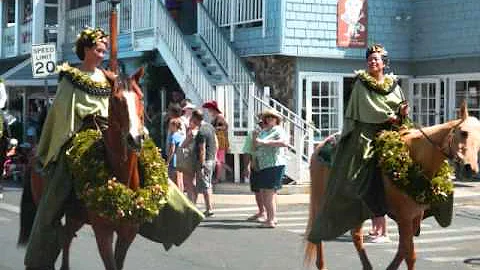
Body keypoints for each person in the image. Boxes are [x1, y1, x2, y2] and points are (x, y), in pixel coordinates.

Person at [24, 27, 111, 270]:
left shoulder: (107, 78)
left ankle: (166, 215)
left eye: (104, 50)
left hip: (107, 135)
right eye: (99, 49)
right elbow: (61, 114)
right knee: (61, 179)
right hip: (78, 135)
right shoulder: (71, 77)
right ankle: (40, 255)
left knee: (142, 161)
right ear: (86, 50)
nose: (102, 54)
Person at [308, 44, 409, 242]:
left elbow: (399, 108)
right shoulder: (362, 84)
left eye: (376, 59)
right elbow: (368, 109)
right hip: (367, 133)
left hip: (392, 131)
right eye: (370, 59)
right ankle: (371, 224)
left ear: (384, 63)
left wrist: (401, 114)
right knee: (366, 170)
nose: (373, 62)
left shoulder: (394, 85)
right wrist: (389, 117)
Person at [254, 109, 288, 228]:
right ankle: (271, 217)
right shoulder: (264, 130)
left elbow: (284, 143)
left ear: (276, 119)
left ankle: (271, 219)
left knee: (269, 193)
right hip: (264, 165)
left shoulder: (278, 129)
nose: (269, 119)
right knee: (265, 192)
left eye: (272, 117)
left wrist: (264, 142)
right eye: (267, 117)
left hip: (274, 164)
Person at [185, 109, 217, 217]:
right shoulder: (210, 127)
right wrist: (214, 156)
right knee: (207, 184)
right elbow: (215, 143)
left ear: (195, 118)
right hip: (211, 159)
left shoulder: (201, 131)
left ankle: (209, 208)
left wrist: (201, 164)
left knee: (205, 185)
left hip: (205, 161)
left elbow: (202, 149)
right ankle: (208, 207)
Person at [242, 120, 266, 222]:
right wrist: (246, 167)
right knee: (257, 190)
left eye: (264, 123)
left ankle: (268, 214)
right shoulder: (252, 134)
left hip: (269, 165)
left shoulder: (273, 133)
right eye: (260, 123)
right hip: (256, 165)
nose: (262, 125)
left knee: (268, 191)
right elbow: (247, 151)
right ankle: (261, 212)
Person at [202, 100, 229, 184]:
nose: (208, 110)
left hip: (220, 141)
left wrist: (216, 129)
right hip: (215, 139)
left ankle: (218, 178)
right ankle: (226, 170)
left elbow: (226, 126)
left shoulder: (219, 116)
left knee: (218, 161)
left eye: (210, 108)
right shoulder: (214, 117)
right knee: (217, 160)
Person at [166, 118, 185, 191]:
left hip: (174, 161)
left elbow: (172, 150)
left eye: (170, 126)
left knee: (174, 180)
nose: (169, 127)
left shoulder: (173, 136)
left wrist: (167, 161)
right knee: (180, 180)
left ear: (174, 126)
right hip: (181, 160)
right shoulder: (181, 135)